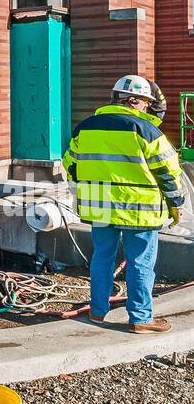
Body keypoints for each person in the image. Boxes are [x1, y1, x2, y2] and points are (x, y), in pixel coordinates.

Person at [62, 74, 185, 333]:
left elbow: (70, 164)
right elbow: (168, 172)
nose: (147, 109)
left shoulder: (86, 126)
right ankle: (141, 318)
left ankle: (97, 311)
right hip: (140, 210)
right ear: (134, 101)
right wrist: (176, 203)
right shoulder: (146, 130)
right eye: (145, 104)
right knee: (140, 262)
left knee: (102, 258)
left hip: (100, 207)